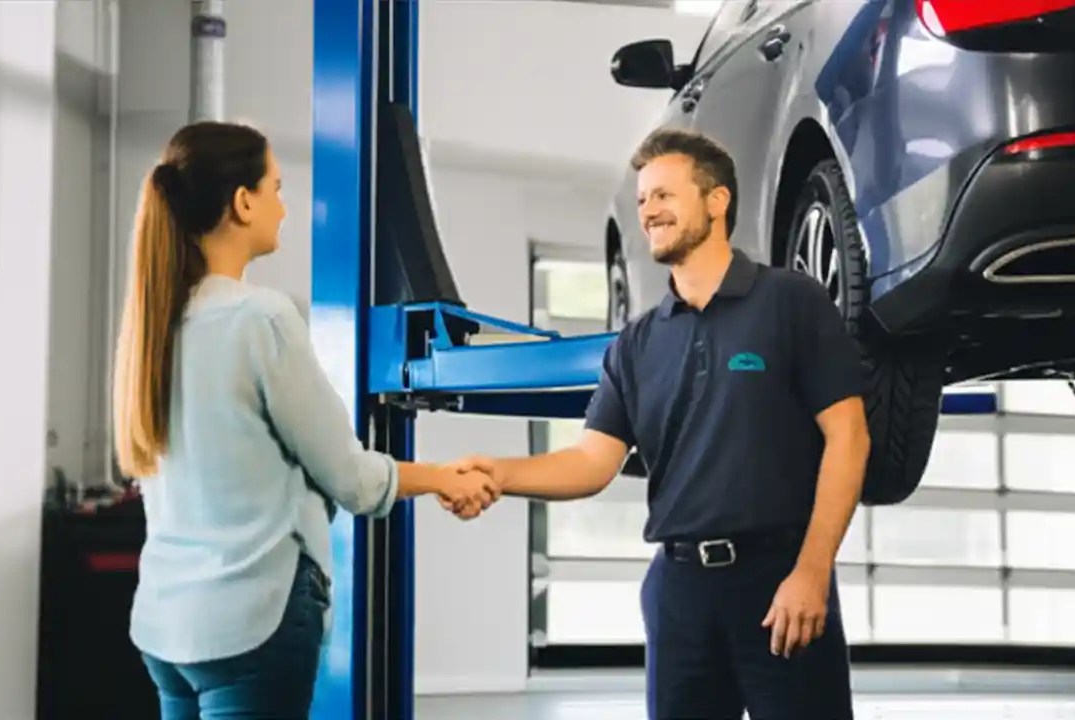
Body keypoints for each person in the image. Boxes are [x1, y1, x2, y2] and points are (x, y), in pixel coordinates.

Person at [448, 128, 870, 719]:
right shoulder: (637, 342)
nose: (648, 211)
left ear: (717, 201)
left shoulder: (791, 303)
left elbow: (849, 435)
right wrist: (501, 471)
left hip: (781, 581)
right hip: (679, 591)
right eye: (643, 199)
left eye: (664, 195)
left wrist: (813, 571)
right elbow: (592, 462)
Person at [111, 121, 499, 720]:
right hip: (249, 619)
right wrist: (446, 477)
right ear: (243, 203)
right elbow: (350, 476)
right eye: (276, 187)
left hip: (167, 626)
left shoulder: (154, 327)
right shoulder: (260, 318)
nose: (284, 208)